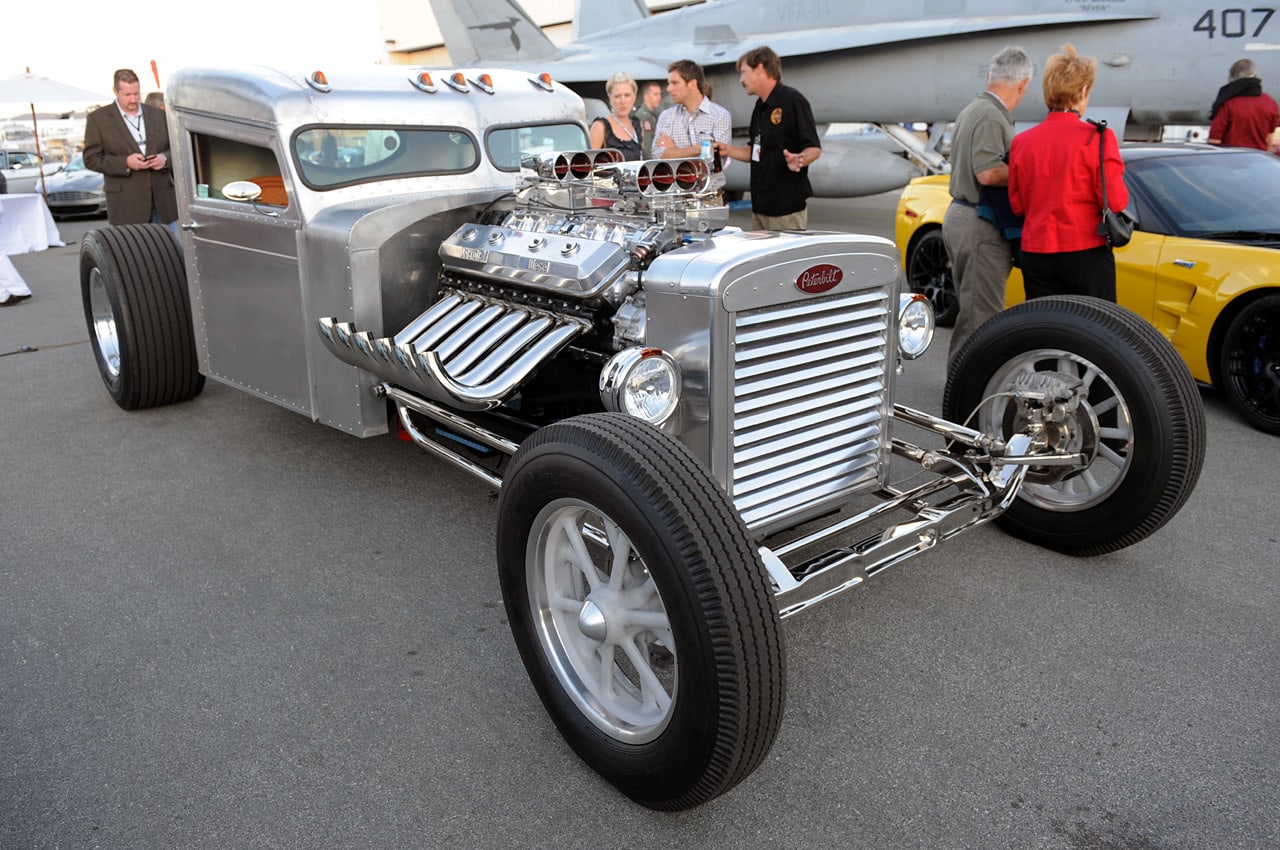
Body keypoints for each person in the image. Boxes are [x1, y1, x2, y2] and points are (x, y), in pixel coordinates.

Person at [1008, 44, 1129, 303]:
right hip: (1085, 250)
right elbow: (1116, 201)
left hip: (1036, 251)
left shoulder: (1023, 141)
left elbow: (1017, 205)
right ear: (1083, 91)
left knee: (1047, 327)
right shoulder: (1098, 137)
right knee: (1096, 329)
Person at [941, 45, 1033, 363]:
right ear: (1023, 85)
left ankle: (963, 383)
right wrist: (1032, 169)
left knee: (972, 312)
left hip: (962, 216)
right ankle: (970, 392)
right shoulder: (992, 117)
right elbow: (988, 172)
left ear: (992, 76)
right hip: (978, 223)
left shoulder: (974, 109)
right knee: (983, 317)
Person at [717, 45, 822, 230]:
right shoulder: (760, 107)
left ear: (760, 69)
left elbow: (814, 148)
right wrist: (728, 150)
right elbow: (756, 151)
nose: (741, 79)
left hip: (785, 212)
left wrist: (800, 159)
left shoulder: (793, 100)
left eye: (743, 72)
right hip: (760, 210)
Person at [83, 68, 178, 226]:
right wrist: (126, 163)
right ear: (115, 91)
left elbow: (177, 148)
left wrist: (164, 159)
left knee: (170, 250)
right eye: (127, 95)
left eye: (136, 93)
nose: (133, 100)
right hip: (126, 207)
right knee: (135, 251)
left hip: (164, 204)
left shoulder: (159, 115)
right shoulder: (98, 119)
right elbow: (91, 159)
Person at [652, 60, 732, 196]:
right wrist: (698, 149)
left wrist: (674, 151)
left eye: (675, 83)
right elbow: (658, 155)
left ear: (692, 84)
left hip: (709, 198)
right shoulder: (666, 116)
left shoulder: (720, 116)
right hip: (676, 199)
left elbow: (715, 164)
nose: (668, 89)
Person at [1207, 58, 1280, 150]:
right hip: (1260, 159)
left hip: (1232, 159)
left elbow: (1214, 141)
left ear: (1232, 78)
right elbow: (1269, 140)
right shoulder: (1270, 103)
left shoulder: (1227, 103)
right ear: (1255, 75)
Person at [589, 72, 644, 161]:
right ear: (610, 97)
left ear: (634, 96)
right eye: (617, 96)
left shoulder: (637, 125)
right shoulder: (600, 126)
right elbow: (589, 164)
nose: (623, 101)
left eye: (627, 95)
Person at [633, 80, 663, 159]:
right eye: (655, 94)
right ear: (646, 96)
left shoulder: (653, 115)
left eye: (660, 94)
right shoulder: (644, 117)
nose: (659, 97)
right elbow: (647, 145)